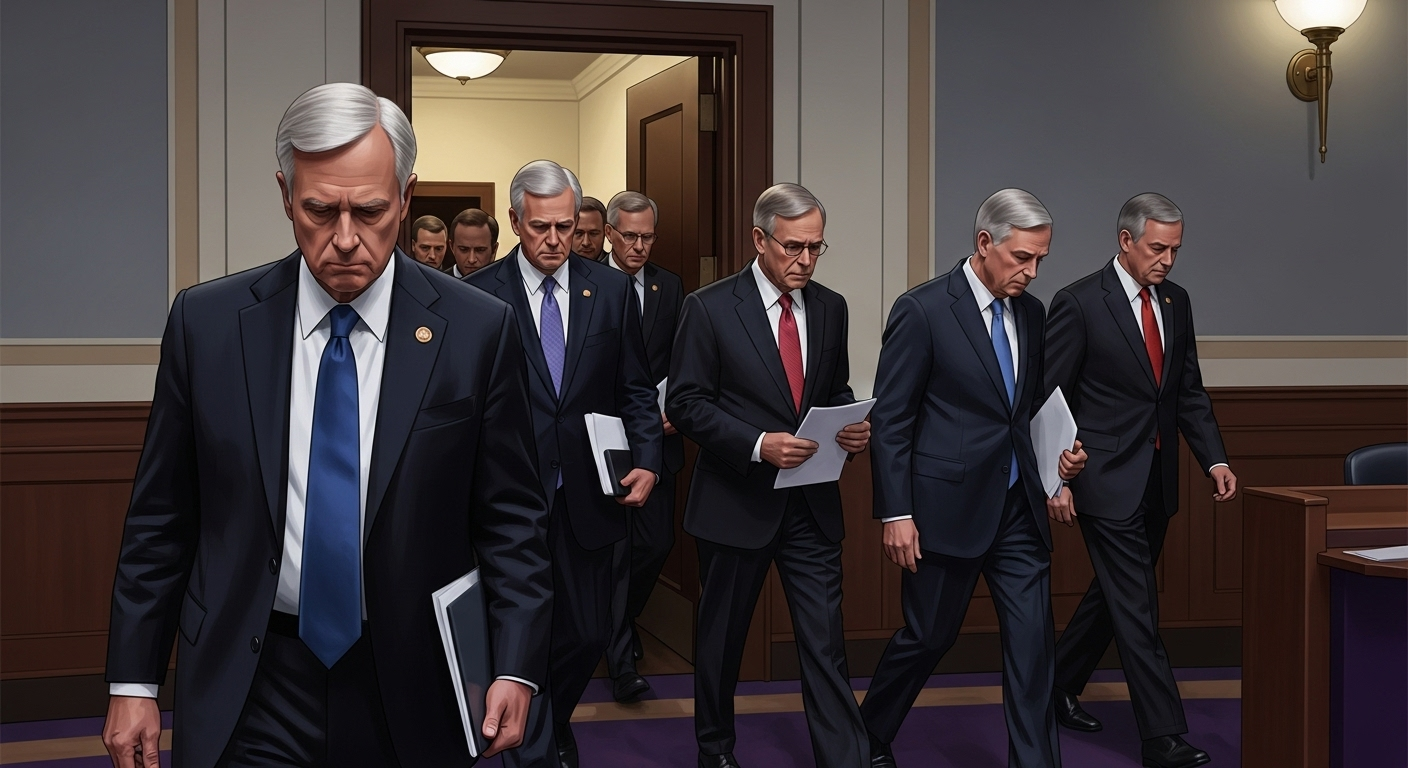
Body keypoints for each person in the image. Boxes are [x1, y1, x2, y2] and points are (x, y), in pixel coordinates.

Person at [101, 83, 552, 768]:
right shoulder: (208, 325)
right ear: (286, 195)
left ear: (406, 196)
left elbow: (513, 518)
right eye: (319, 210)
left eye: (370, 211)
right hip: (251, 673)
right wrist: (133, 681)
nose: (345, 239)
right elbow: (161, 519)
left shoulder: (478, 331)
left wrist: (516, 665)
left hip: (411, 671)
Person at [860, 188, 1086, 768]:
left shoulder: (1033, 314)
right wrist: (896, 512)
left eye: (1040, 260)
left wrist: (1059, 465)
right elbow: (891, 420)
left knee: (1034, 649)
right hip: (943, 509)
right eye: (1022, 258)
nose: (1032, 272)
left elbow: (1028, 409)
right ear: (985, 244)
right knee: (928, 638)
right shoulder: (923, 309)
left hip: (1018, 510)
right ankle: (866, 737)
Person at [466, 160, 662, 768]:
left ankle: (547, 723)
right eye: (540, 227)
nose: (553, 241)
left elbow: (633, 386)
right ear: (515, 221)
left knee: (585, 633)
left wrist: (648, 457)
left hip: (588, 491)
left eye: (565, 227)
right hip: (507, 497)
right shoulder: (479, 296)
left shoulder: (606, 291)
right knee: (516, 629)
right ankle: (543, 743)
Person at [667, 183, 870, 768]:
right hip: (736, 504)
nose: (805, 261)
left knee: (825, 645)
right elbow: (685, 403)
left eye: (816, 248)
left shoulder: (831, 307)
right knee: (722, 642)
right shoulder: (708, 307)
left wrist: (850, 430)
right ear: (759, 240)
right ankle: (715, 749)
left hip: (811, 505)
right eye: (792, 248)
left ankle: (844, 758)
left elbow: (835, 391)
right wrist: (757, 444)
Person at [1045, 194, 1234, 768]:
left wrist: (1215, 459)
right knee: (1138, 606)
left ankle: (1051, 687)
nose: (1168, 260)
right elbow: (1048, 398)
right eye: (1158, 248)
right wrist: (1057, 478)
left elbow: (1188, 391)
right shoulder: (1078, 302)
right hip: (1101, 479)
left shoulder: (1176, 301)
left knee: (1115, 595)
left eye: (1176, 249)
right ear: (1125, 240)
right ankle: (1163, 736)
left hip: (1158, 480)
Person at [599, 190, 685, 703]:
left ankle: (618, 623)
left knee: (655, 544)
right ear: (609, 234)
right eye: (628, 235)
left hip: (659, 436)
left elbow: (684, 356)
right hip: (604, 439)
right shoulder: (591, 284)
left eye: (647, 236)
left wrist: (678, 407)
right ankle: (618, 654)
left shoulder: (668, 286)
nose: (638, 245)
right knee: (610, 552)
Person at [450, 207, 500, 277]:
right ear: (452, 247)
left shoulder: (510, 286)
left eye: (480, 250)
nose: (471, 260)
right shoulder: (435, 285)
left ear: (494, 250)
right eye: (463, 249)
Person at [573, 196, 607, 261]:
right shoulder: (554, 269)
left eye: (593, 234)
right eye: (578, 233)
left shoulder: (617, 269)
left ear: (606, 232)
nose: (586, 243)